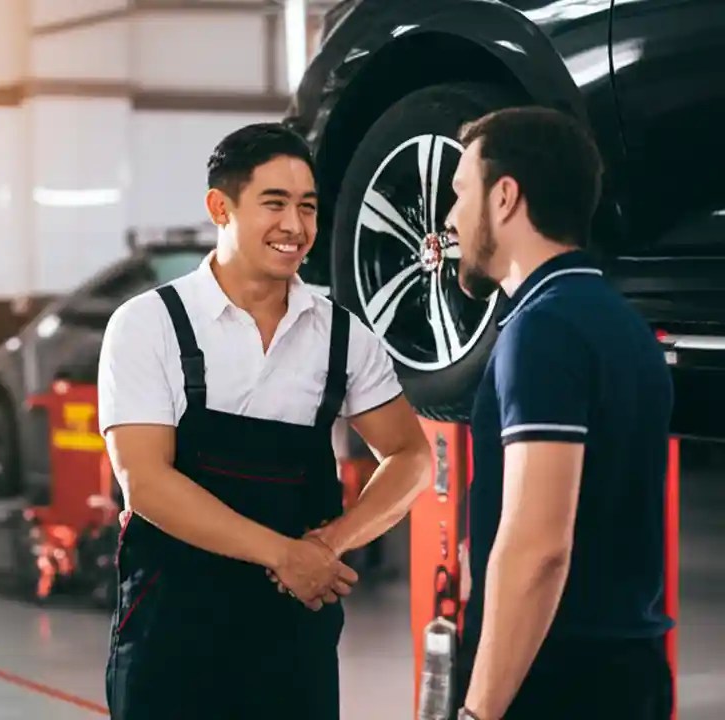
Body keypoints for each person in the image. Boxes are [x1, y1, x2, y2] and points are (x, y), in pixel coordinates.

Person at [98, 122, 431, 719]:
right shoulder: (148, 324)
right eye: (273, 204)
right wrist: (284, 555)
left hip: (292, 640)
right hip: (173, 639)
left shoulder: (341, 336)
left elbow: (411, 457)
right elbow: (145, 481)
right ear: (219, 208)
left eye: (307, 207)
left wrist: (330, 544)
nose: (295, 227)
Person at [445, 107, 676, 720]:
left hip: (554, 676)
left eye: (459, 193)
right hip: (630, 667)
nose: (449, 219)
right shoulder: (621, 324)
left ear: (504, 197)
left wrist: (477, 712)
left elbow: (540, 544)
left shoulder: (542, 330)